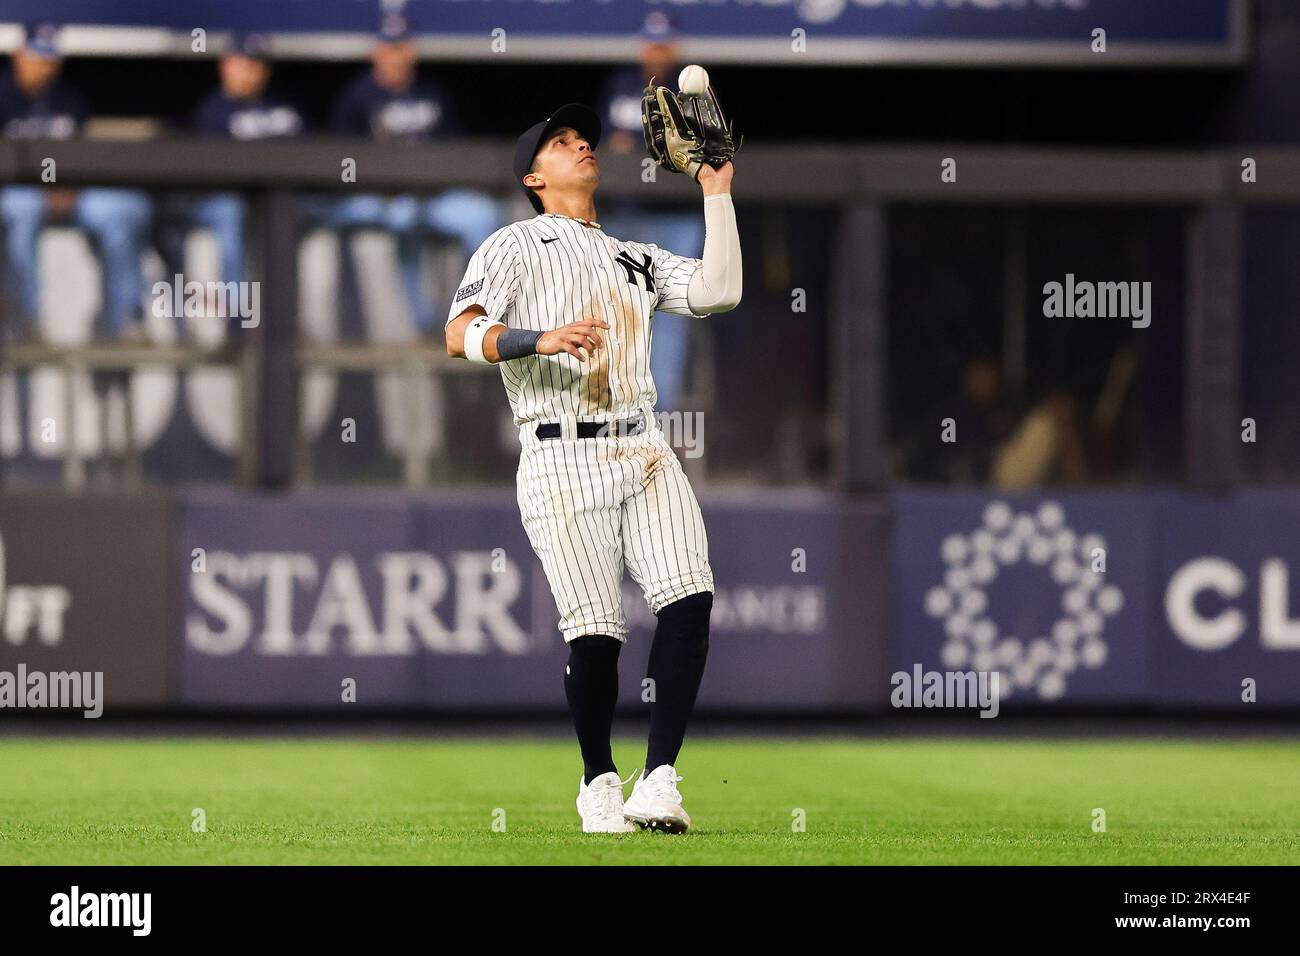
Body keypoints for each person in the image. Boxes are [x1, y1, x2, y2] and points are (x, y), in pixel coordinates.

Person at [445, 104, 742, 833]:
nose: (579, 144)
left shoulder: (633, 254)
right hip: (559, 453)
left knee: (690, 598)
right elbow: (459, 334)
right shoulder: (515, 242)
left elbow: (718, 291)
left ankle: (660, 778)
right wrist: (539, 339)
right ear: (533, 177)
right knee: (597, 634)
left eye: (581, 138)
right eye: (558, 142)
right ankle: (598, 777)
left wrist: (717, 190)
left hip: (643, 446)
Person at [315, 11, 499, 335]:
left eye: (401, 47)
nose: (396, 55)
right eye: (389, 47)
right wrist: (378, 183)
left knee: (484, 215)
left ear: (411, 50)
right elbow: (340, 165)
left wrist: (461, 182)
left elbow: (457, 149)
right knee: (403, 216)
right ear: (377, 52)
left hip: (434, 196)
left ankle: (475, 312)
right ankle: (423, 321)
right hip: (383, 200)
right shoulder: (356, 98)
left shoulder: (432, 94)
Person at [0, 23, 151, 343]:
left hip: (73, 192)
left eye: (51, 58)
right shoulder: (3, 98)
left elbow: (83, 155)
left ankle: (125, 319)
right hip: (20, 193)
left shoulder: (69, 101)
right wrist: (43, 187)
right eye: (38, 56)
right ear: (18, 56)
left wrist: (71, 186)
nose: (46, 65)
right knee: (20, 210)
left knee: (122, 209)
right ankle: (28, 320)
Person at [596, 11, 702, 412]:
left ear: (675, 45)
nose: (656, 51)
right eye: (650, 42)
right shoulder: (620, 85)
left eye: (663, 43)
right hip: (624, 218)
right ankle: (614, 411)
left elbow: (697, 151)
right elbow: (601, 148)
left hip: (675, 217)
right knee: (616, 314)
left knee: (670, 318)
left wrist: (643, 146)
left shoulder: (692, 89)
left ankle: (660, 417)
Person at [185, 33, 304, 303]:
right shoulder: (213, 109)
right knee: (230, 213)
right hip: (225, 200)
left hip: (278, 197)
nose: (254, 72)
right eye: (246, 64)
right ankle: (238, 318)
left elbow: (310, 155)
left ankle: (284, 321)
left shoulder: (283, 107)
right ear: (226, 65)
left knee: (293, 213)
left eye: (259, 65)